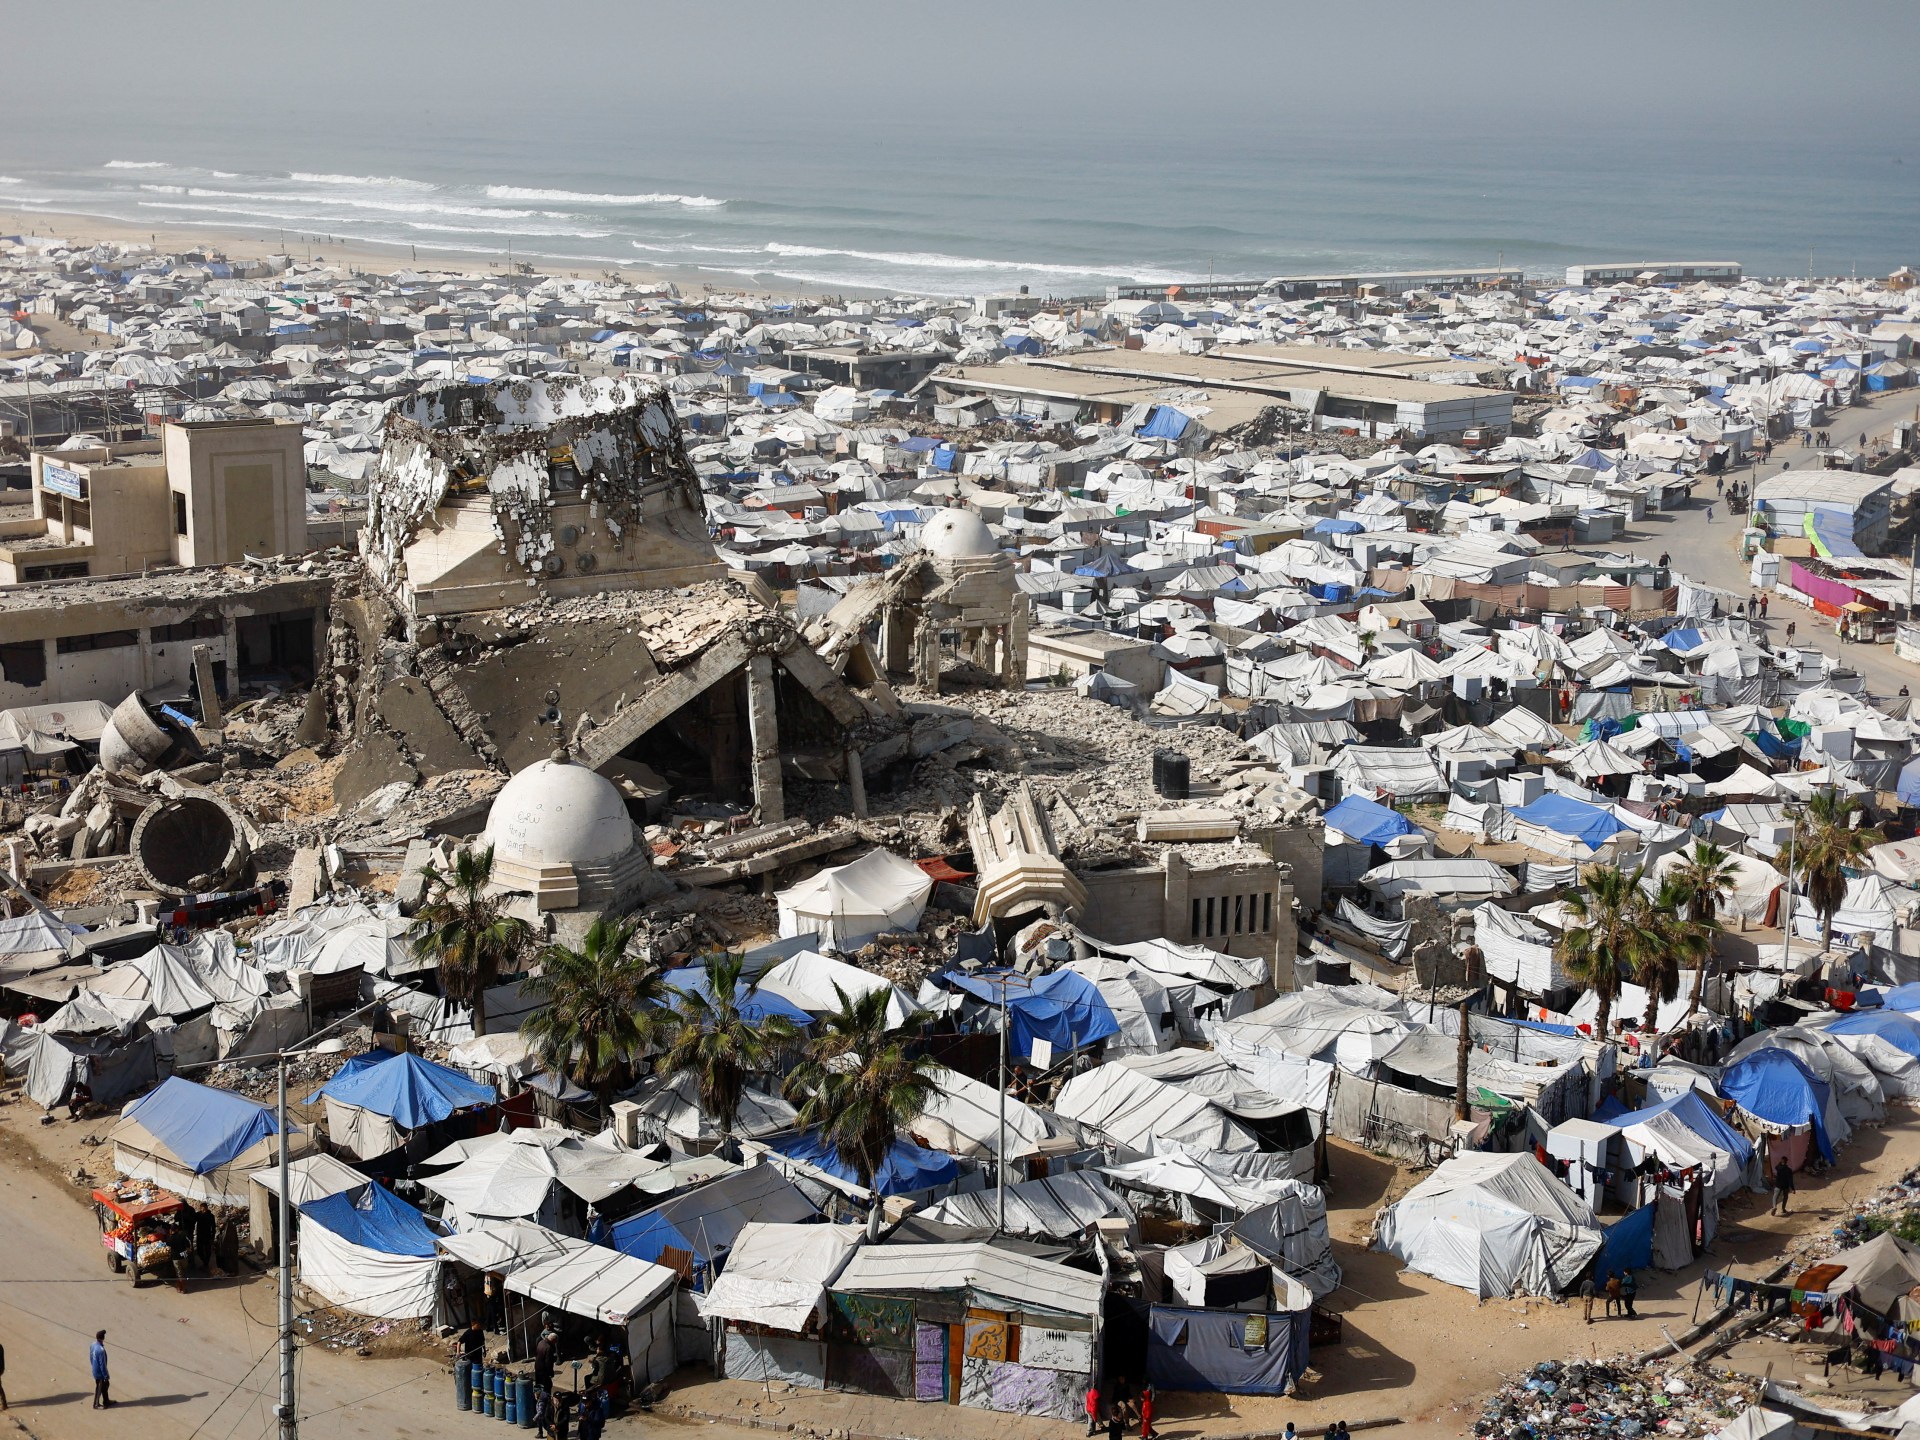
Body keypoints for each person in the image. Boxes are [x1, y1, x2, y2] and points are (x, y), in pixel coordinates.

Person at [90, 1330, 110, 1409]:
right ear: (103, 1338)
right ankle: (96, 1404)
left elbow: (91, 1357)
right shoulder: (101, 1350)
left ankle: (106, 1400)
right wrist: (105, 1375)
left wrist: (93, 1366)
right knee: (99, 1387)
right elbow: (103, 1365)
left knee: (106, 1385)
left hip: (95, 1369)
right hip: (100, 1373)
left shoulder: (93, 1345)